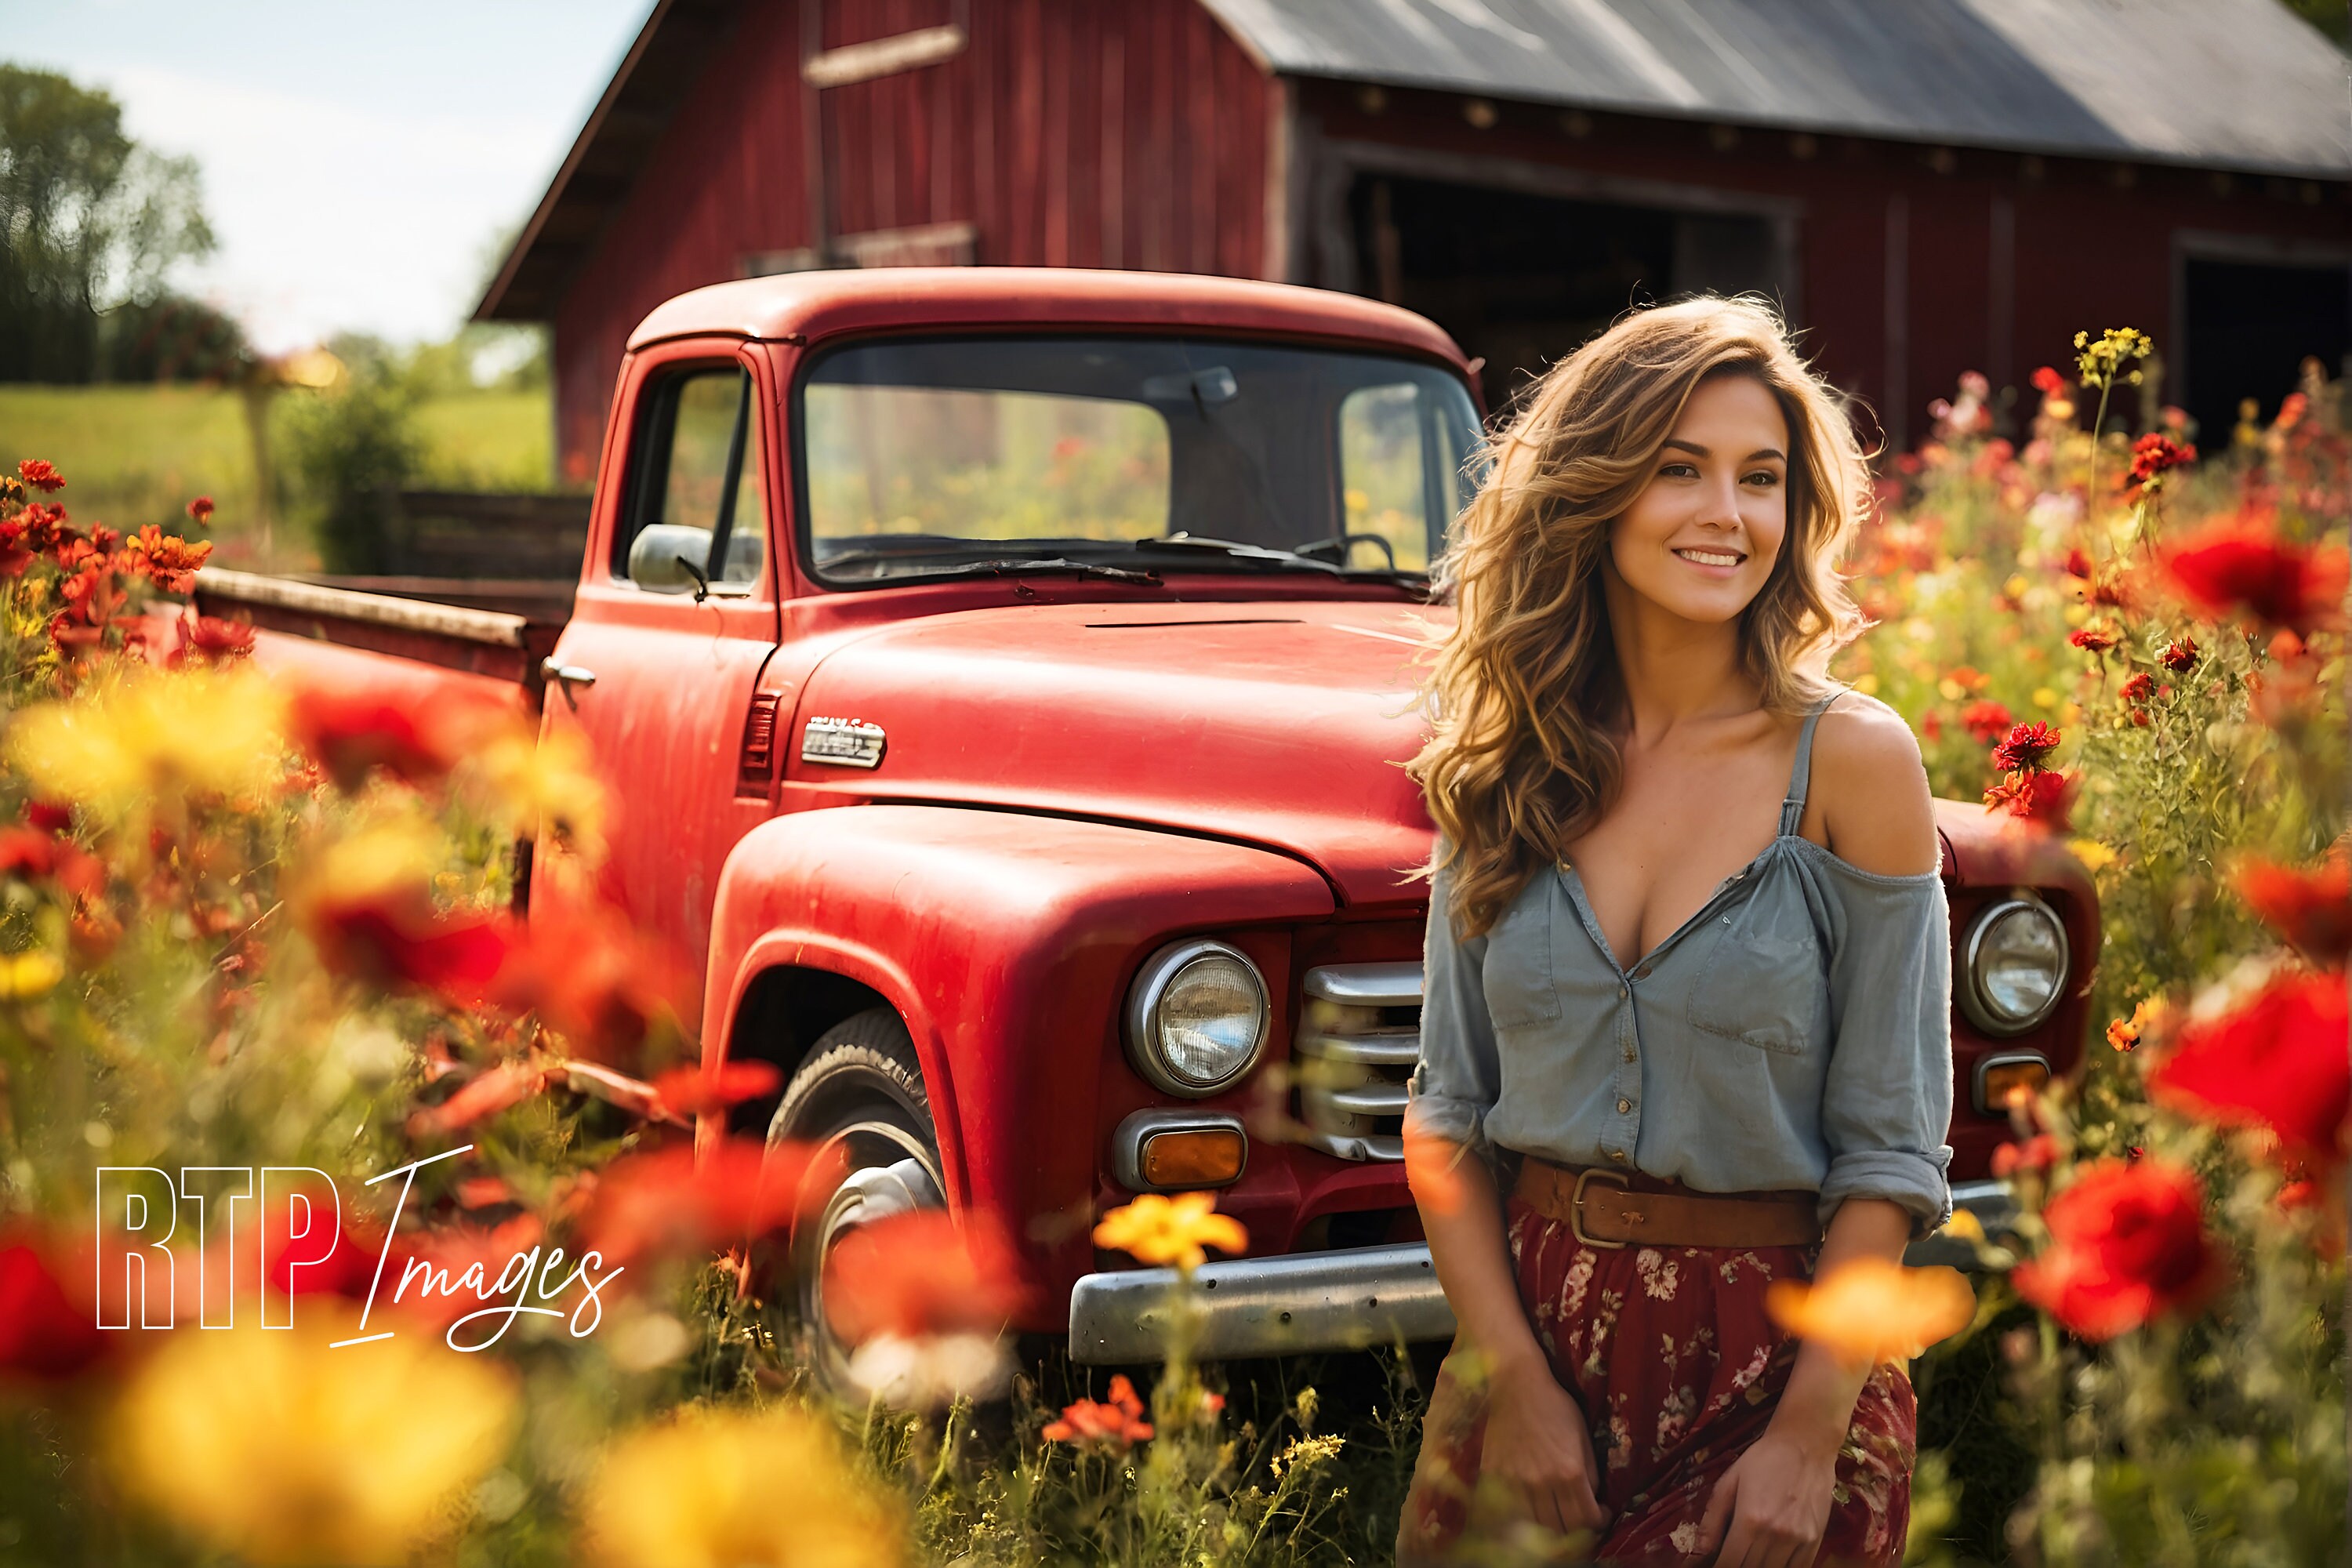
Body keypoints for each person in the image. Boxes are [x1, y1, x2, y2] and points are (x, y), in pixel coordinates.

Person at [1395, 296, 1952, 1567]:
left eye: (1762, 479)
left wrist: (1810, 1438)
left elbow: (1890, 1153)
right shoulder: (1506, 759)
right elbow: (1448, 1118)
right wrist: (1514, 1385)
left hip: (1776, 1366)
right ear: (1595, 492)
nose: (1730, 515)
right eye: (1680, 470)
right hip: (1530, 1350)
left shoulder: (1853, 765)